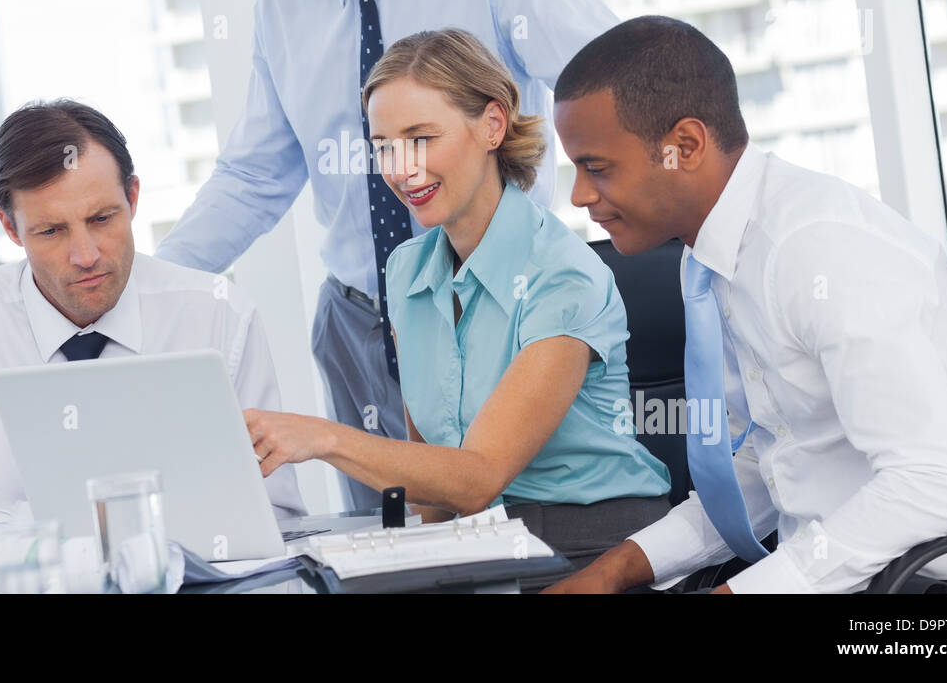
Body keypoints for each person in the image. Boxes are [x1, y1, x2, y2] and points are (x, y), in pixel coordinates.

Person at [155, 0, 619, 511]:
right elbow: (254, 179)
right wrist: (147, 286)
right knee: (386, 554)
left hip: (492, 303)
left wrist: (613, 206)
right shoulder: (283, 10)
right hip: (358, 319)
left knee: (505, 522)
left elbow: (611, 85)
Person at [542, 15, 947, 594]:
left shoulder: (817, 249)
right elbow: (765, 466)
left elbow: (936, 481)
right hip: (841, 574)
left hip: (928, 589)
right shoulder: (717, 257)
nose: (578, 195)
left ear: (684, 146)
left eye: (596, 167)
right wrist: (614, 571)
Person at [243, 29, 671, 584]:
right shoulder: (408, 270)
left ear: (493, 125)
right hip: (481, 545)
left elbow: (476, 477)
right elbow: (435, 481)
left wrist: (323, 438)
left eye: (421, 138)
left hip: (589, 546)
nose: (401, 169)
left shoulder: (561, 275)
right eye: (383, 146)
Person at [0, 100, 305, 539]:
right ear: (11, 229)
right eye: (51, 231)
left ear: (132, 198)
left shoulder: (221, 317)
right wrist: (62, 530)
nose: (86, 256)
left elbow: (275, 516)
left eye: (102, 218)